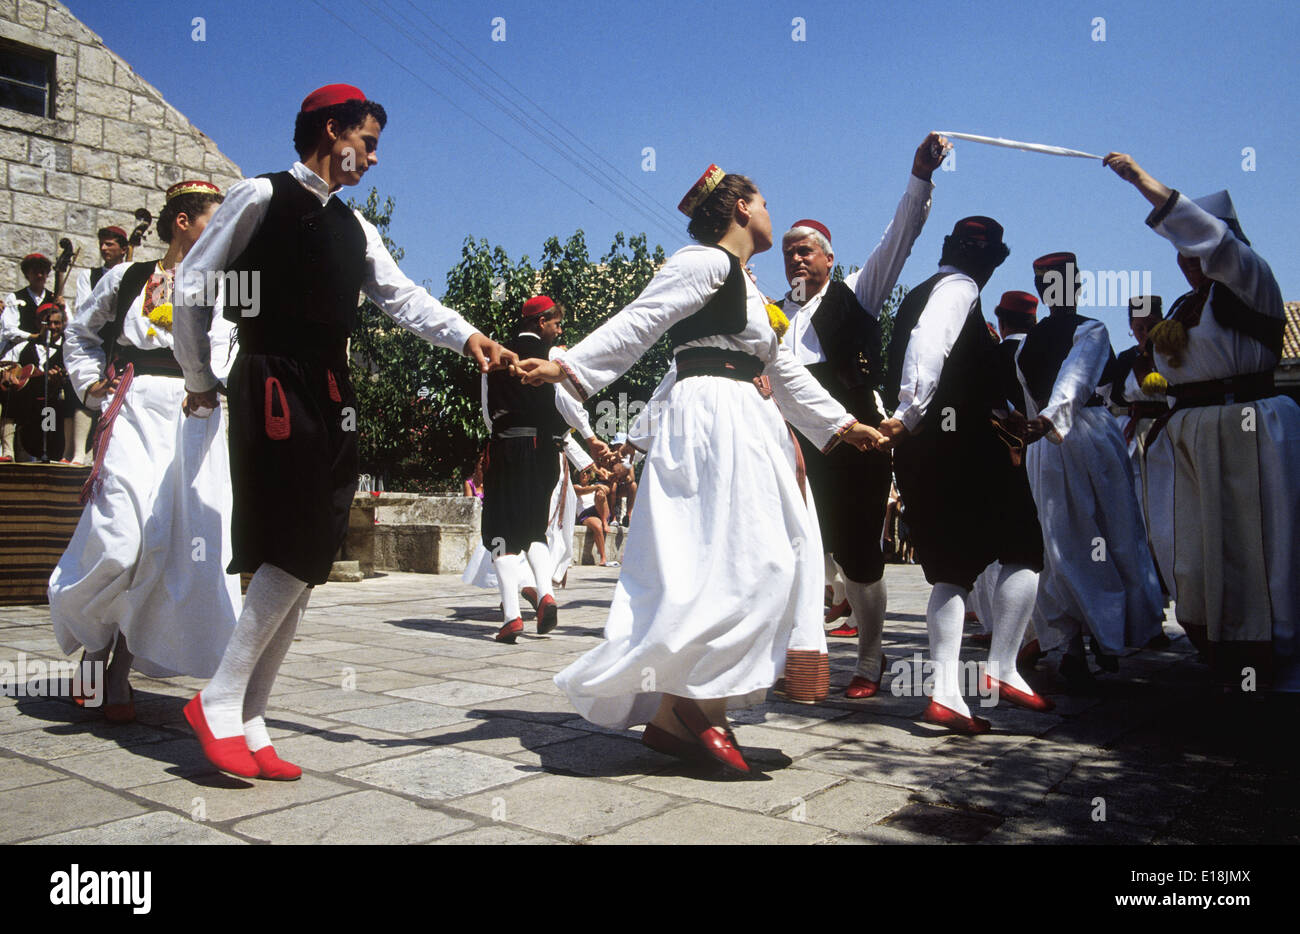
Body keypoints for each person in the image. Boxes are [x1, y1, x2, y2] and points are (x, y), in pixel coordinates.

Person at [173, 84, 512, 780]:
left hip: (331, 388)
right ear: (334, 131)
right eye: (370, 141)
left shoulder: (357, 229)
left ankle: (251, 719)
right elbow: (193, 285)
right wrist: (200, 376)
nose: (375, 158)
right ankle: (218, 699)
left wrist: (467, 335)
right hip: (271, 375)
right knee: (292, 543)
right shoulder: (259, 196)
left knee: (311, 556)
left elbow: (404, 297)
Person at [516, 163, 883, 775]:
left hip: (748, 422)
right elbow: (642, 319)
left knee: (766, 559)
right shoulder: (704, 263)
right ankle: (693, 709)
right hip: (709, 419)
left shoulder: (752, 291)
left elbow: (784, 372)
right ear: (740, 207)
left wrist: (843, 424)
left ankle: (674, 717)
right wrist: (569, 367)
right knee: (728, 561)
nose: (770, 211)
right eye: (763, 200)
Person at [1103, 152, 1300, 691]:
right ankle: (1217, 640)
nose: (1189, 260)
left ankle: (1267, 651)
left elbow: (1212, 243)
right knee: (1193, 549)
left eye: (1196, 248)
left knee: (1254, 546)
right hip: (1193, 435)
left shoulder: (1250, 278)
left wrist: (1142, 182)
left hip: (1243, 429)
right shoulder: (1192, 305)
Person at [49, 180, 240, 724]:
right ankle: (91, 648)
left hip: (192, 418)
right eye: (212, 219)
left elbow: (231, 350)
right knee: (118, 540)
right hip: (132, 413)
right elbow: (80, 334)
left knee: (168, 547)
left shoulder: (223, 285)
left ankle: (116, 671)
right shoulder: (128, 277)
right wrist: (90, 387)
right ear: (182, 221)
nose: (220, 231)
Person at [773, 133, 945, 698]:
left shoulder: (856, 294)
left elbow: (901, 236)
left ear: (828, 256)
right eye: (789, 251)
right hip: (790, 439)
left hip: (855, 438)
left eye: (807, 250)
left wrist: (919, 175)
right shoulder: (773, 317)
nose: (796, 257)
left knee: (855, 553)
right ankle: (795, 660)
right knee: (789, 550)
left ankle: (870, 656)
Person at [877, 216, 1051, 734]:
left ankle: (951, 691)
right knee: (1024, 547)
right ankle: (998, 667)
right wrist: (908, 413)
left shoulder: (927, 289)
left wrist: (1001, 414)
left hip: (935, 448)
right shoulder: (959, 289)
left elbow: (958, 371)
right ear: (991, 260)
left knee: (951, 568)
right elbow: (928, 347)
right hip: (962, 449)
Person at [1016, 252, 1164, 684]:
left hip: (1046, 445)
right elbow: (1076, 382)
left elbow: (1034, 398)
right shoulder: (1092, 330)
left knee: (1063, 541)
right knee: (1108, 531)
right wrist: (1048, 419)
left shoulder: (1026, 343)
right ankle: (1101, 634)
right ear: (1077, 286)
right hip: (1087, 437)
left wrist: (1037, 425)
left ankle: (1076, 641)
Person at [481, 295, 606, 643]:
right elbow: (568, 405)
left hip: (509, 444)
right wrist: (590, 440)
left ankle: (510, 617)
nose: (559, 329)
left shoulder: (496, 353)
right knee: (534, 528)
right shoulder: (555, 359)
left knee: (501, 532)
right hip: (545, 450)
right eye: (556, 323)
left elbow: (487, 410)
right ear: (540, 322)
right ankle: (545, 593)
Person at [68, 226, 131, 465]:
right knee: (92, 386)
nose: (104, 249)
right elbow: (85, 308)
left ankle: (102, 449)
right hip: (98, 337)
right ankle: (79, 451)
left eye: (110, 244)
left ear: (124, 249)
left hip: (121, 340)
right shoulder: (90, 276)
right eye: (102, 244)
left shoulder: (133, 274)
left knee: (115, 388)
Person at [1, 253, 55, 460]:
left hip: (48, 353)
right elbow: (8, 330)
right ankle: (8, 450)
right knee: (11, 394)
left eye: (42, 270)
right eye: (34, 271)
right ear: (27, 274)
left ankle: (40, 448)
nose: (39, 274)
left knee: (49, 402)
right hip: (22, 353)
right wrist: (33, 336)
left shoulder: (54, 298)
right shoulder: (16, 297)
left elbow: (66, 326)